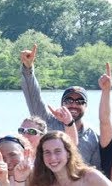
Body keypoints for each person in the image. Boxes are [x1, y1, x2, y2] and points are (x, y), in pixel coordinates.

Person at [19, 43, 101, 171]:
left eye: (80, 101)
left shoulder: (93, 136)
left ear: (86, 106)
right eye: (69, 100)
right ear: (62, 104)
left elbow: (97, 168)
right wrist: (28, 68)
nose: (74, 104)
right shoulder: (47, 122)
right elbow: (33, 96)